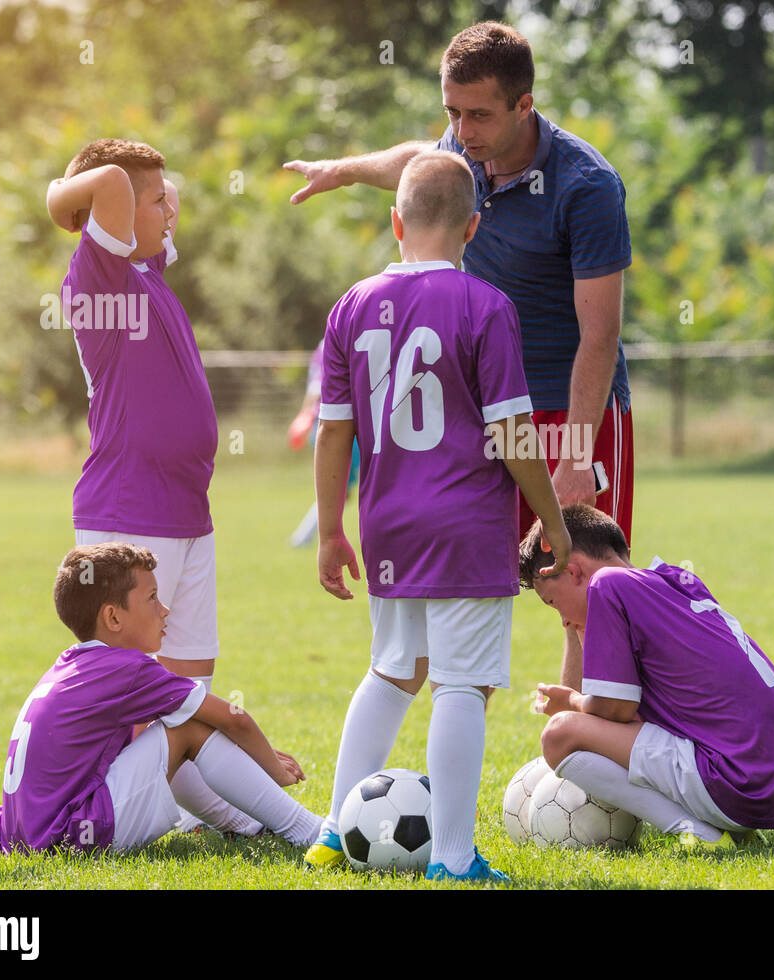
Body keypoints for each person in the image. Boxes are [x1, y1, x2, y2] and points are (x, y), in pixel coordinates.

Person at [284, 21, 630, 692]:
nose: (462, 130)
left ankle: (589, 761)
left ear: (524, 106)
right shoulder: (457, 151)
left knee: (589, 593)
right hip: (482, 408)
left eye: (479, 114)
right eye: (452, 112)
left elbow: (600, 335)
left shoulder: (586, 187)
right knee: (462, 595)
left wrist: (578, 452)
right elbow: (413, 161)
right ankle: (458, 718)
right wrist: (343, 171)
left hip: (570, 408)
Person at [302, 150, 571, 881]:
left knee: (392, 671)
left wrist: (331, 530)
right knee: (458, 684)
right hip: (466, 524)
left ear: (396, 220)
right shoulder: (487, 306)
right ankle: (452, 859)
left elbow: (334, 430)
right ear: (473, 227)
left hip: (387, 524)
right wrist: (552, 517)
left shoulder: (350, 306)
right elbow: (514, 435)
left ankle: (333, 829)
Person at [47, 139, 264, 834]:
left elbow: (134, 192)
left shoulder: (143, 271)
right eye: (155, 198)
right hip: (130, 509)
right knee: (134, 688)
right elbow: (106, 181)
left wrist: (153, 194)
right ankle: (112, 811)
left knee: (190, 677)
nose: (169, 208)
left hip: (185, 510)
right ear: (105, 216)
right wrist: (66, 201)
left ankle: (190, 811)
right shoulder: (99, 273)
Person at [0, 543, 322, 853]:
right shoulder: (127, 668)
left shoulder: (69, 662)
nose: (165, 610)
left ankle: (249, 826)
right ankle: (310, 832)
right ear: (113, 618)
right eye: (152, 598)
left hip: (20, 836)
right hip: (66, 837)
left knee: (171, 725)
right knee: (188, 728)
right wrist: (274, 769)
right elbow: (235, 718)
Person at [521, 504, 774, 846]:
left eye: (552, 602)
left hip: (735, 781)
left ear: (574, 571)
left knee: (559, 735)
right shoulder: (676, 580)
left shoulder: (607, 585)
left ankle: (695, 832)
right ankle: (727, 827)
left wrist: (572, 702)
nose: (563, 619)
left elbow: (615, 709)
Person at [286, 338, 359, 548]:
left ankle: (304, 538)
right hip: (337, 425)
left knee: (341, 490)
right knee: (340, 489)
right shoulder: (338, 342)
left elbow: (313, 387)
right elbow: (317, 388)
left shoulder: (323, 344)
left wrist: (303, 415)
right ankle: (303, 538)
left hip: (324, 422)